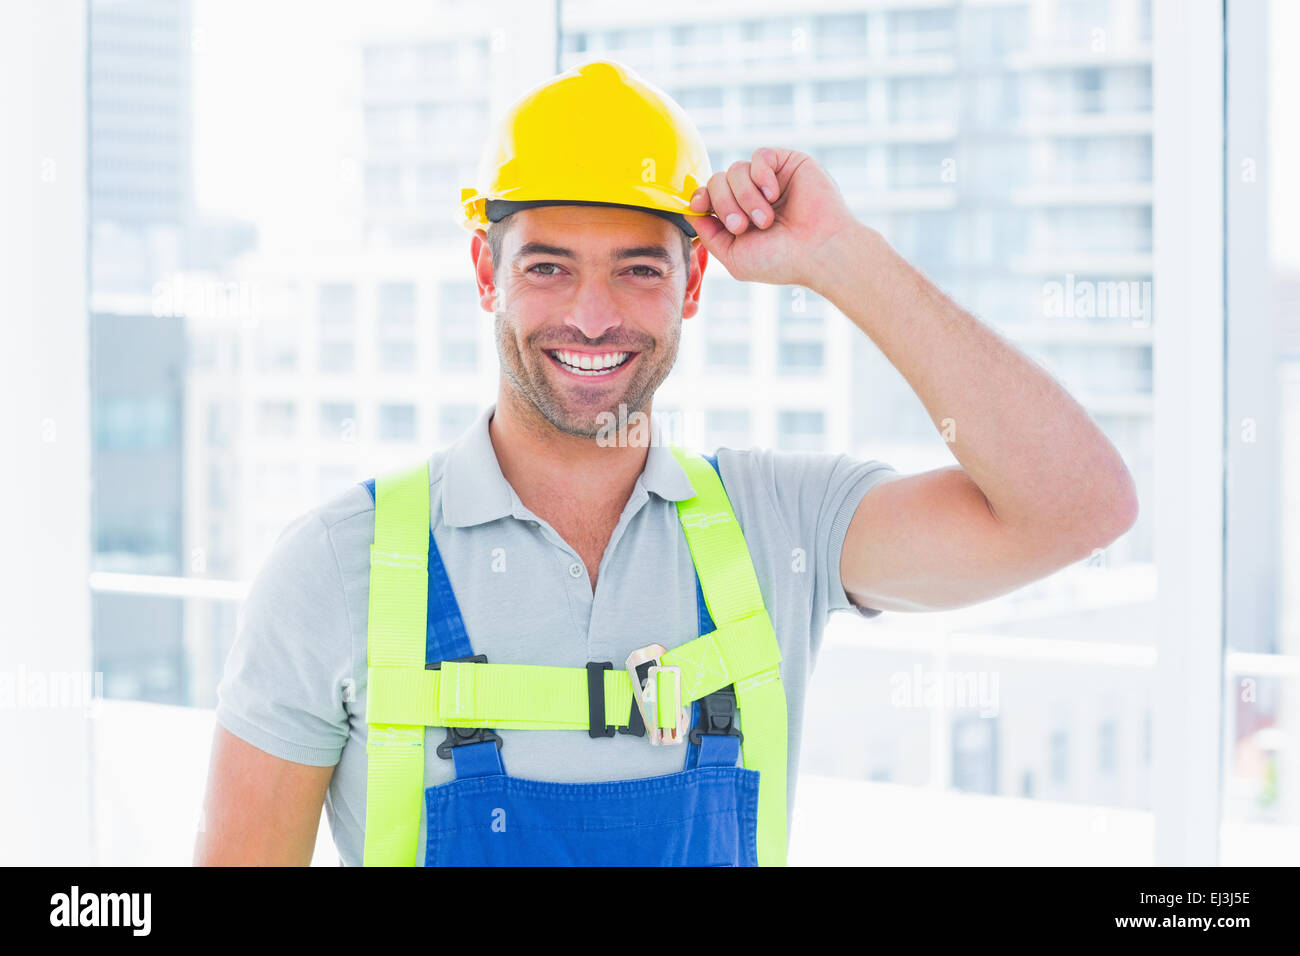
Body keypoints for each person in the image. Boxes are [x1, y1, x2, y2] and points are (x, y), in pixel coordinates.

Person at [195, 60, 1136, 866]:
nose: (594, 317)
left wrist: (842, 257)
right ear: (486, 272)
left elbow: (1078, 506)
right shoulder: (335, 568)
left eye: (639, 268)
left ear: (693, 284)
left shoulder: (782, 528)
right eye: (548, 267)